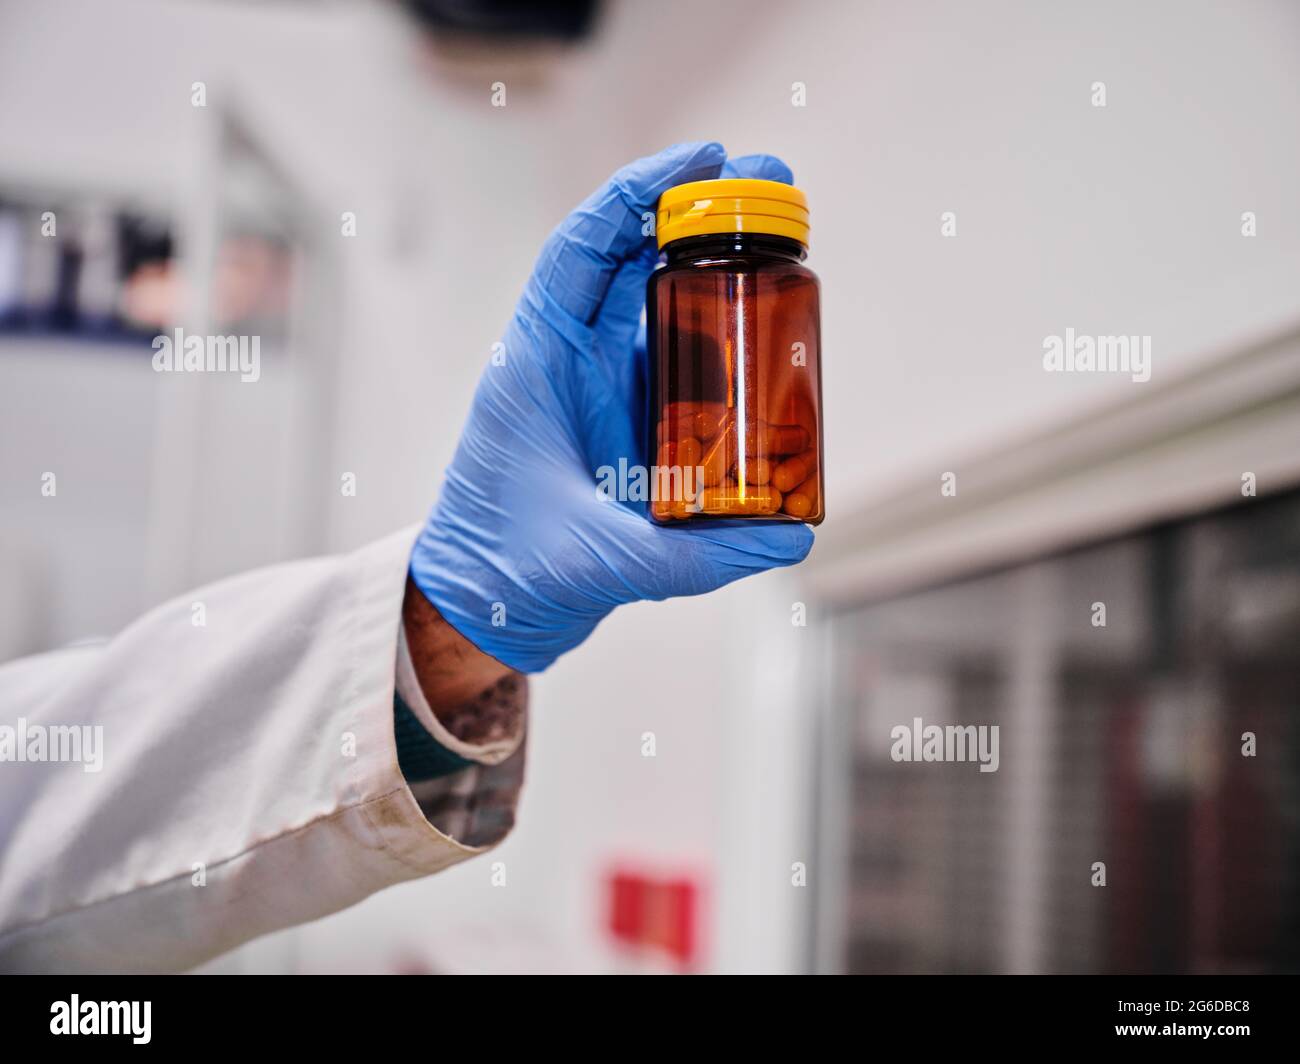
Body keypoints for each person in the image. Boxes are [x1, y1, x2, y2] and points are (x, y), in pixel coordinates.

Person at [0, 143, 813, 973]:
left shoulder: (763, 291)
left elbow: (53, 812)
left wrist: (450, 617)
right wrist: (464, 604)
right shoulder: (702, 291)